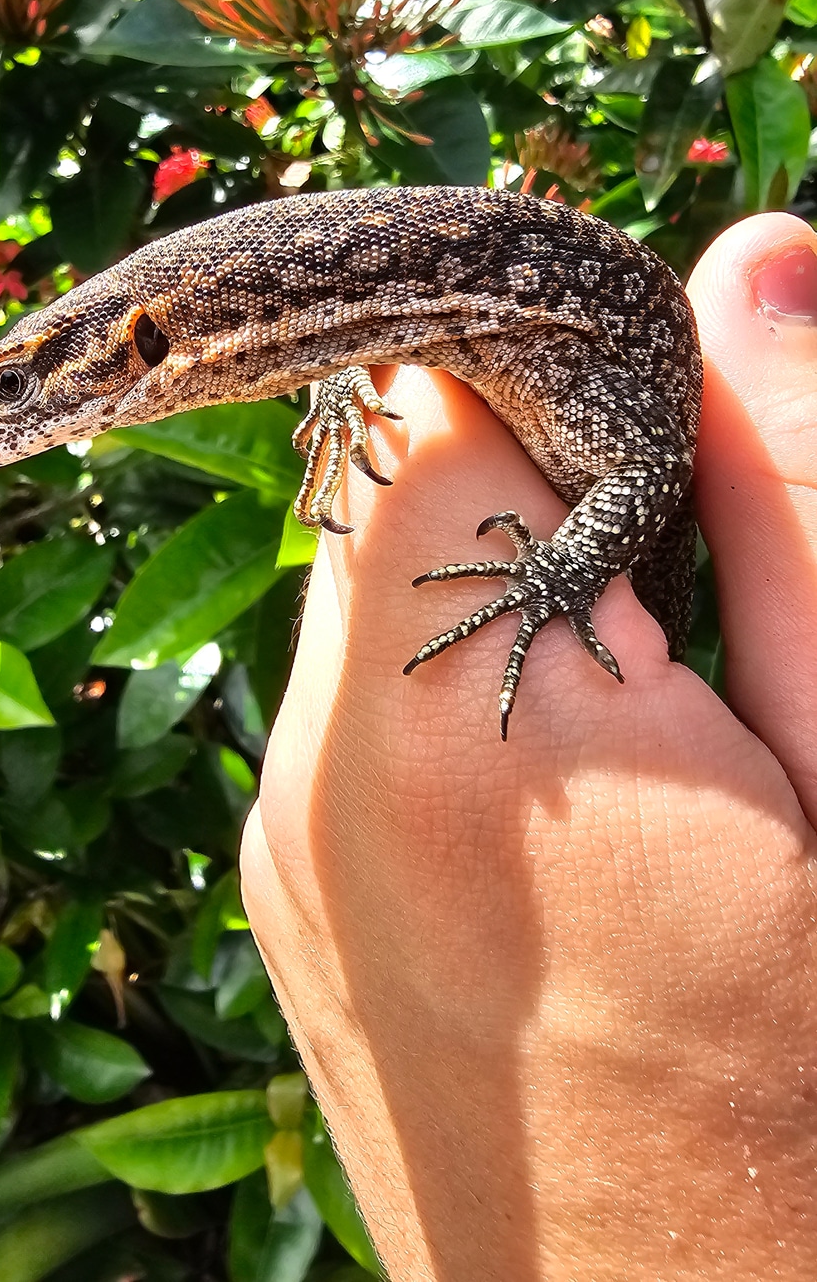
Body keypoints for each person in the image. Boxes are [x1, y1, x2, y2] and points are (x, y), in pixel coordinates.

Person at [241, 213, 817, 1281]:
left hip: (640, 585)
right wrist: (342, 382)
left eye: (13, 391)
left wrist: (553, 580)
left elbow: (644, 474)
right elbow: (371, 312)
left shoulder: (526, 316)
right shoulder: (404, 310)